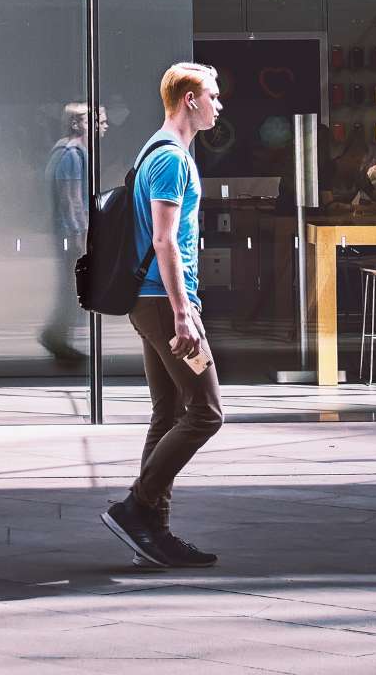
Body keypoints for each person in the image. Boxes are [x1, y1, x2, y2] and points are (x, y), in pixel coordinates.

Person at [101, 62, 225, 571]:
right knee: (207, 412)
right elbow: (164, 239)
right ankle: (136, 509)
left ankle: (152, 532)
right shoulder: (172, 160)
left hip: (148, 301)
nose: (219, 105)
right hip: (162, 303)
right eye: (213, 96)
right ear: (190, 99)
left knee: (169, 412)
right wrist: (182, 312)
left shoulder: (152, 150)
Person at [40, 102, 107, 367]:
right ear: (77, 124)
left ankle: (58, 337)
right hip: (70, 232)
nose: (104, 126)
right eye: (98, 121)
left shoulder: (74, 152)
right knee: (72, 288)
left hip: (70, 231)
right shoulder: (70, 154)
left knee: (72, 288)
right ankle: (55, 337)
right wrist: (81, 235)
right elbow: (70, 200)